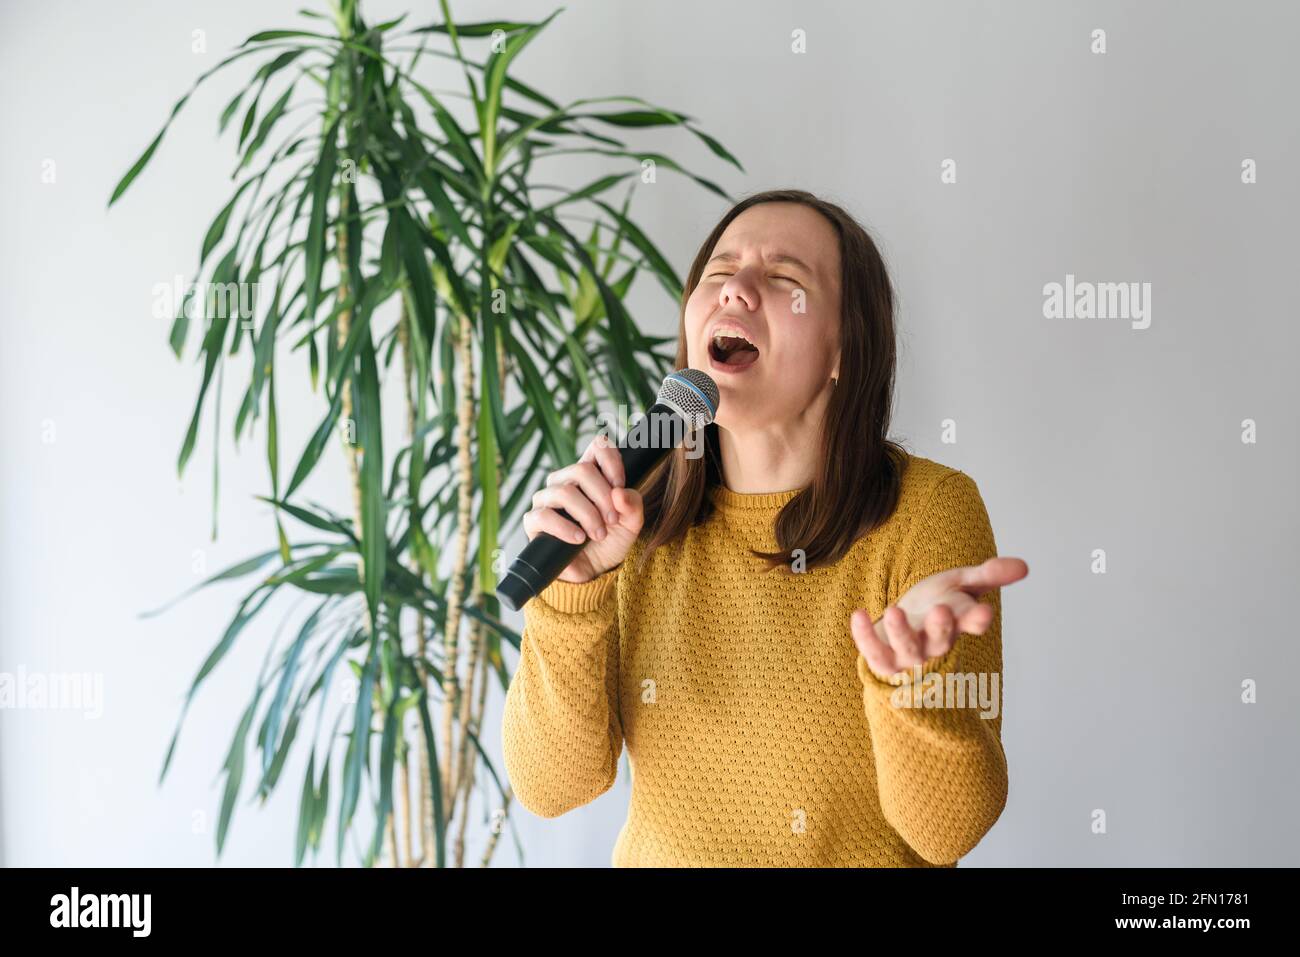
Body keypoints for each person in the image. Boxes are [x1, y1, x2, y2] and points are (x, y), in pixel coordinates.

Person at [501, 188, 1029, 866]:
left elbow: (948, 832)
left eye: (784, 279)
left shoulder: (928, 511)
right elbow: (552, 787)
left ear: (846, 347)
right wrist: (575, 591)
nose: (737, 291)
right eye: (718, 272)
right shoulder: (630, 521)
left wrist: (912, 688)